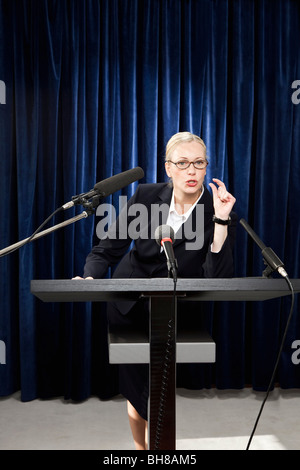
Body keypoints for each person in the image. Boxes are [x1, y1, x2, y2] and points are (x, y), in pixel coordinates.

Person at [73, 131, 237, 450]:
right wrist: (90, 278)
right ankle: (143, 449)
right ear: (168, 168)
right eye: (183, 163)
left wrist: (221, 220)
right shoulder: (146, 196)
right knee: (138, 396)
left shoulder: (218, 207)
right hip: (129, 308)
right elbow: (107, 249)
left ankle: (155, 451)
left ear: (206, 167)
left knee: (156, 392)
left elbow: (218, 275)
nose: (192, 171)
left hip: (176, 314)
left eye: (199, 163)